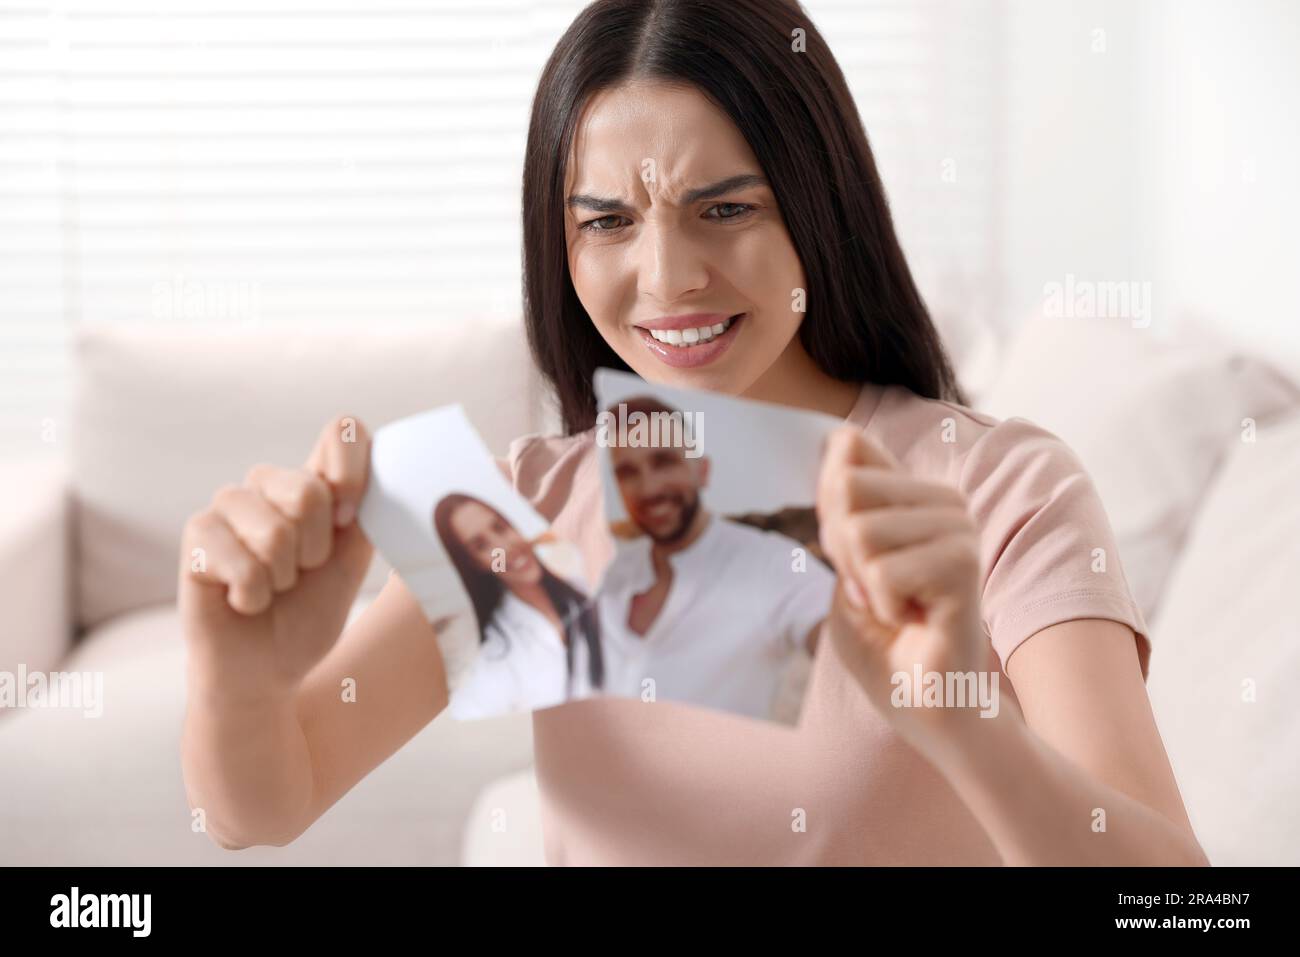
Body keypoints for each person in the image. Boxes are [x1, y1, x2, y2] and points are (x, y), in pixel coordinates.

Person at [179, 0, 1207, 866]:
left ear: (820, 207)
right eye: (608, 222)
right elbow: (258, 807)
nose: (667, 279)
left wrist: (963, 727)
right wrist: (236, 673)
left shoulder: (998, 489)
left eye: (724, 211)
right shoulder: (526, 508)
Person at [596, 395, 833, 719]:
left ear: (702, 470)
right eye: (627, 473)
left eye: (664, 462)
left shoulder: (772, 563)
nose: (648, 488)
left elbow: (853, 648)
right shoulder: (606, 572)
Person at [432, 493, 603, 718]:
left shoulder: (588, 589)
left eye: (500, 528)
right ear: (475, 563)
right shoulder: (491, 657)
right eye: (482, 545)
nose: (504, 548)